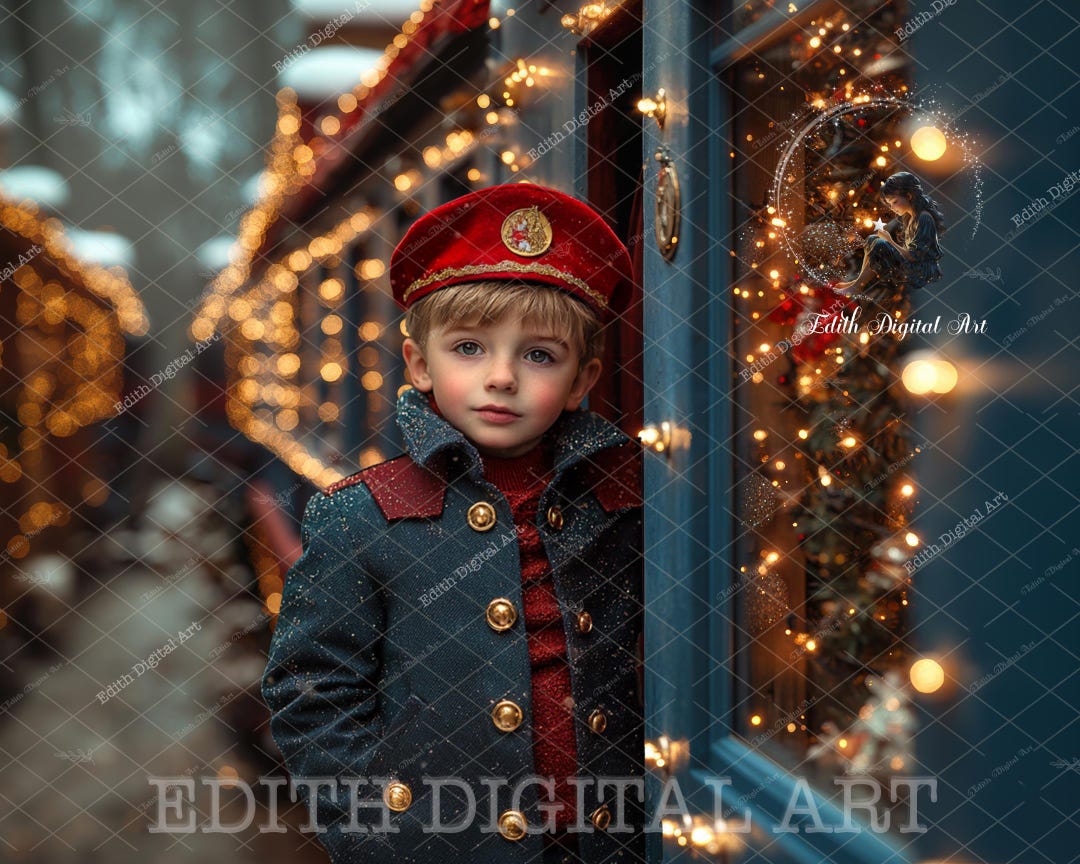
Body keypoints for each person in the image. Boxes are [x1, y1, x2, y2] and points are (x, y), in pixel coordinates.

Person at [261, 184, 645, 864]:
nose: (502, 377)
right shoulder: (359, 515)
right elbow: (313, 692)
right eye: (470, 348)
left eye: (539, 356)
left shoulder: (623, 499)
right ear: (419, 364)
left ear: (583, 379)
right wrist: (373, 832)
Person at [834, 171, 945, 298]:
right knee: (872, 239)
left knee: (880, 244)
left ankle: (857, 286)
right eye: (890, 204)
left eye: (895, 202)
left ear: (909, 196)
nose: (892, 207)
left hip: (919, 270)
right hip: (908, 262)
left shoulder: (924, 219)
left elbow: (913, 256)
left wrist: (889, 240)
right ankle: (857, 281)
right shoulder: (909, 217)